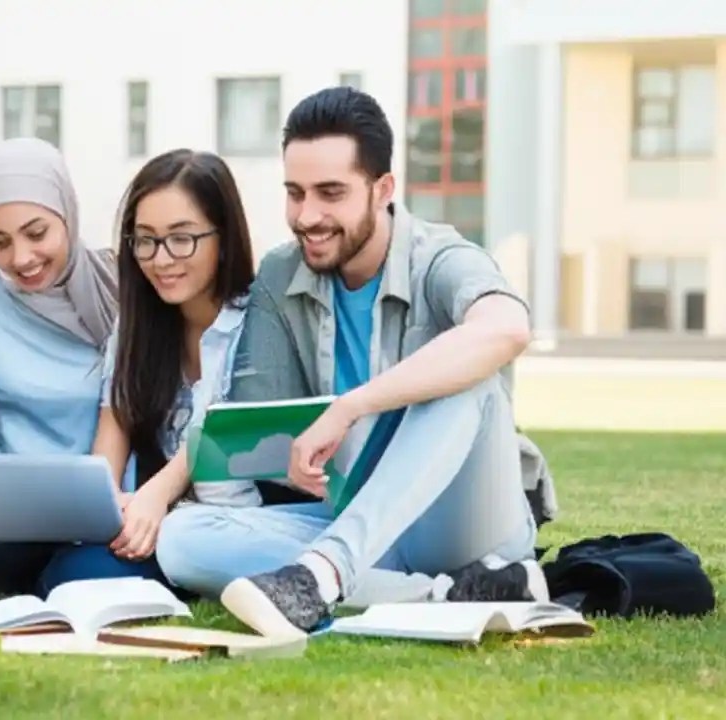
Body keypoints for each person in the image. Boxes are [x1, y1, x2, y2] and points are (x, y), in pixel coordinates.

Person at [154, 87, 548, 636]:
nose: (308, 215)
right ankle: (445, 594)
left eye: (330, 193)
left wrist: (352, 407)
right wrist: (171, 484)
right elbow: (244, 428)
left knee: (466, 374)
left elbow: (507, 327)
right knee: (182, 541)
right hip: (360, 519)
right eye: (295, 193)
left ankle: (323, 575)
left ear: (383, 189)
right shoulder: (280, 275)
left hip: (463, 522)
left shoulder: (439, 257)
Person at [0, 137, 160, 596]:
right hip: (10, 519)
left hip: (111, 513)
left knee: (81, 576)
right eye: (0, 242)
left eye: (36, 233)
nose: (21, 258)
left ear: (68, 213)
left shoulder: (126, 292)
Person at [93, 148, 261, 568]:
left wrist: (157, 493)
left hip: (239, 522)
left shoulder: (258, 321)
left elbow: (221, 430)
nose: (161, 259)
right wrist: (105, 505)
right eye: (146, 240)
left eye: (182, 239)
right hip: (160, 520)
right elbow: (114, 424)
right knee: (74, 566)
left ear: (223, 239)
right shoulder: (136, 326)